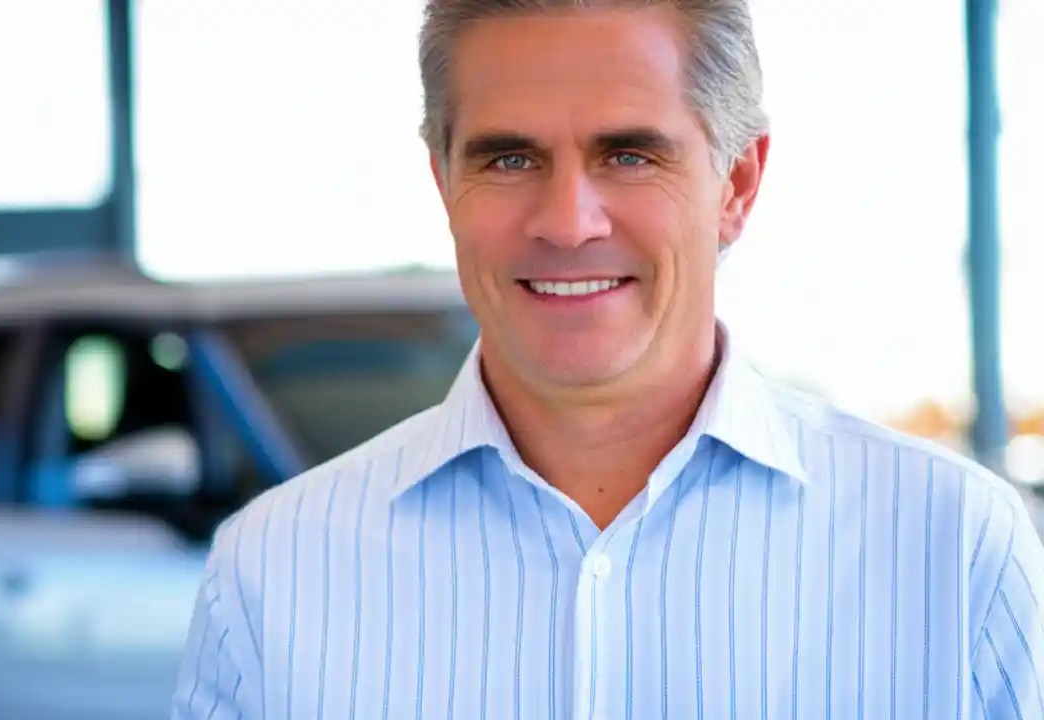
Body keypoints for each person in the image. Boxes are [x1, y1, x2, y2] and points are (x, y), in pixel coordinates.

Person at [172, 1, 1044, 717]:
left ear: (737, 183)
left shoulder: (951, 548)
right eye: (509, 158)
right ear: (443, 182)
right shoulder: (274, 573)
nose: (567, 221)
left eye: (629, 154)